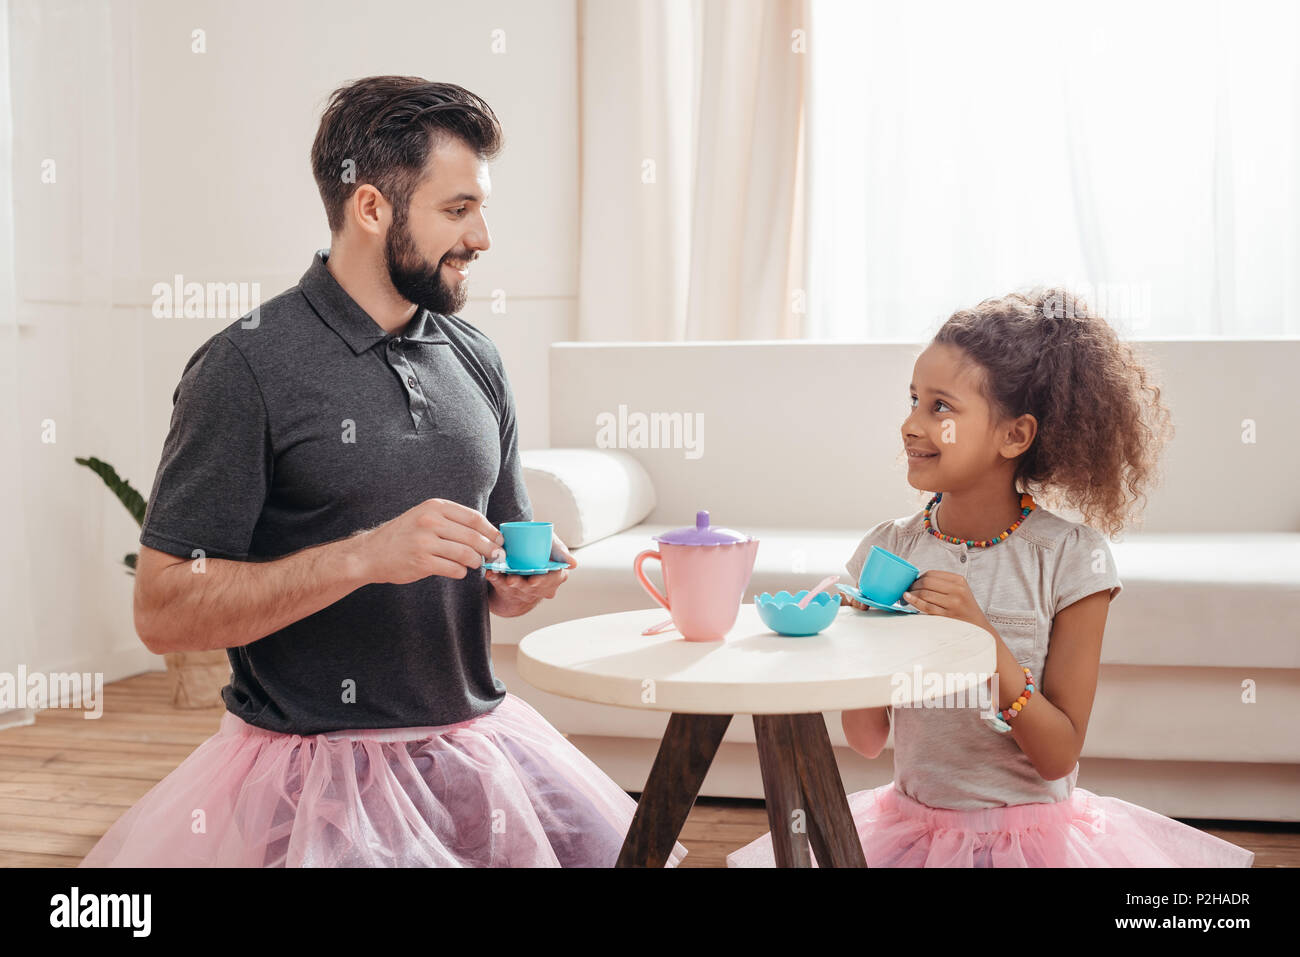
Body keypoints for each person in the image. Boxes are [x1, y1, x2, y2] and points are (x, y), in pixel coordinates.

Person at [79, 77, 684, 867]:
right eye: (458, 209)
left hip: (478, 748)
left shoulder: (478, 358)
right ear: (372, 208)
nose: (484, 237)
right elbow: (163, 610)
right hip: (309, 778)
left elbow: (498, 559)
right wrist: (363, 556)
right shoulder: (244, 367)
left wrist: (514, 584)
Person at [728, 288, 1254, 867]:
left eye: (940, 408)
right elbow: (868, 739)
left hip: (1031, 845)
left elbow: (1059, 755)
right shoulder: (889, 547)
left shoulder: (1072, 559)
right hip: (912, 832)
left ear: (1014, 436)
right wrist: (867, 640)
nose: (910, 424)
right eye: (912, 400)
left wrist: (981, 639)